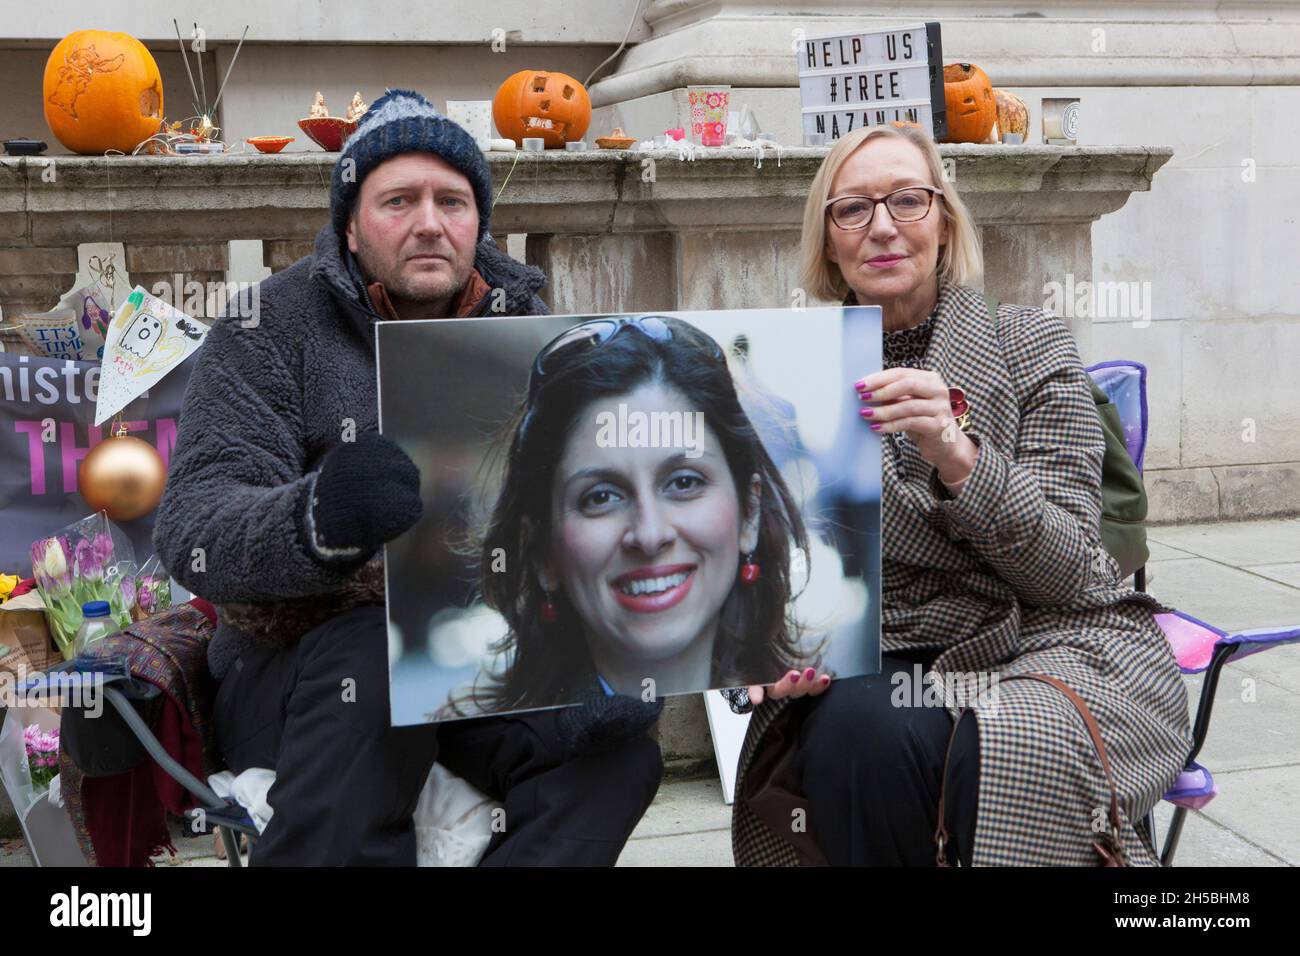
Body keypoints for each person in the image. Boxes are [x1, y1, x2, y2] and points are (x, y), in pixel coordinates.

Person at [153, 89, 662, 866]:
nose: (430, 221)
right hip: (300, 669)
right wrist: (313, 519)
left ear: (478, 222)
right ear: (351, 226)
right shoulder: (267, 328)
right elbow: (193, 526)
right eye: (399, 200)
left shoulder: (535, 332)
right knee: (372, 654)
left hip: (477, 652)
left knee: (617, 747)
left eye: (451, 201)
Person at [729, 124, 1193, 867]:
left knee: (1010, 741)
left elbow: (1075, 571)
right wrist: (766, 643)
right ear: (829, 240)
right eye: (853, 209)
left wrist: (958, 455)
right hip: (878, 641)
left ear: (943, 222)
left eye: (907, 200)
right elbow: (763, 560)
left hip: (1039, 630)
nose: (882, 226)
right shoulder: (789, 371)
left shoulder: (1031, 344)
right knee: (857, 733)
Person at [445, 315, 816, 715]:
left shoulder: (820, 720)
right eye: (601, 496)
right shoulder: (464, 769)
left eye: (684, 483)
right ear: (542, 552)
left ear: (749, 513)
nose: (649, 534)